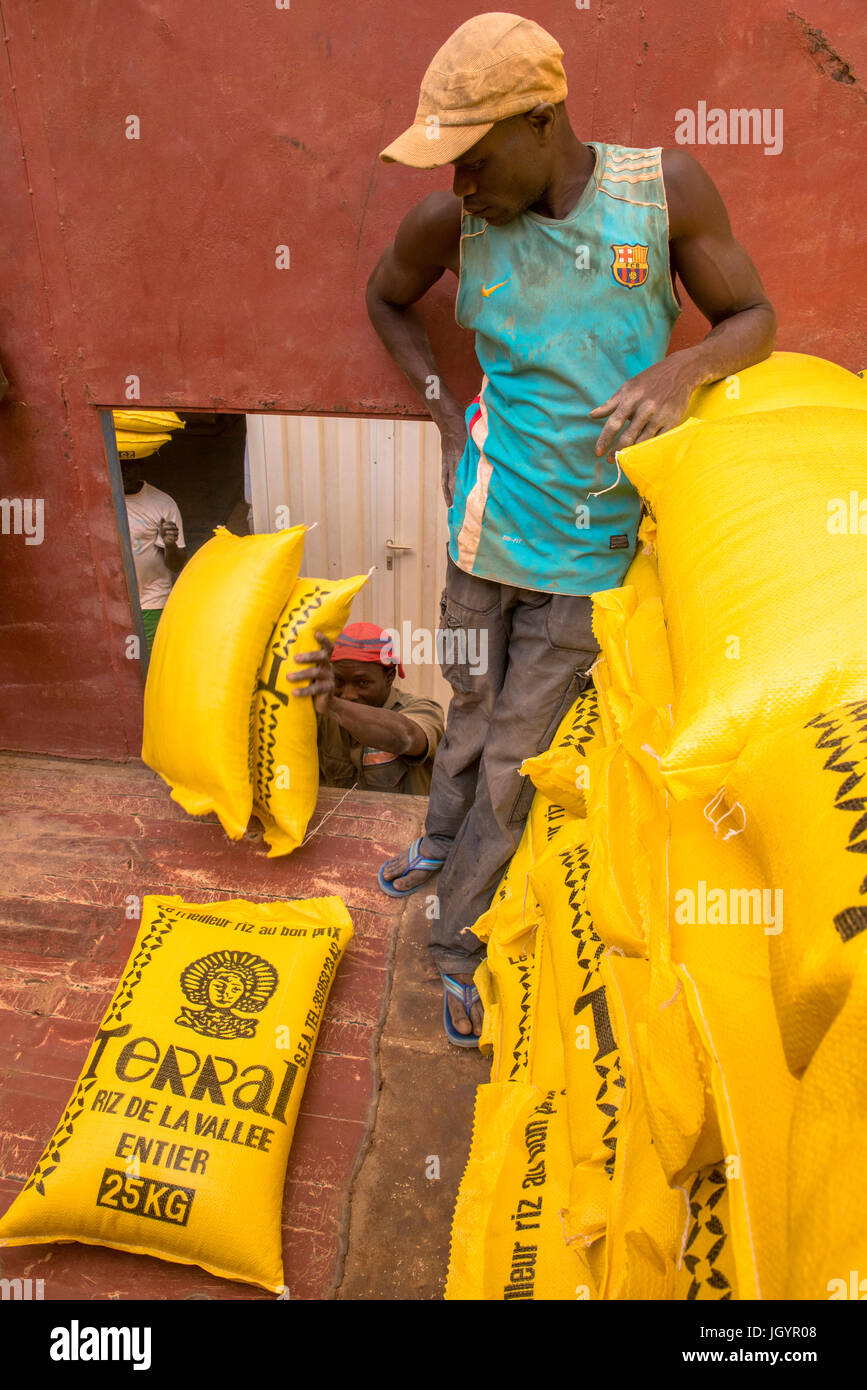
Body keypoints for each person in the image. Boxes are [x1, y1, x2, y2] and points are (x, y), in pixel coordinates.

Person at [365, 14, 777, 1045]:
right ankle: (436, 839)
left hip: (591, 555)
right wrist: (435, 407)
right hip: (482, 532)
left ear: (543, 120)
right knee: (467, 710)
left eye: (473, 158)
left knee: (517, 753)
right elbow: (386, 300)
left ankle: (456, 943)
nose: (460, 185)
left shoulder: (663, 193)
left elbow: (753, 318)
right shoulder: (446, 225)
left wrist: (683, 368)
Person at [290, 621, 444, 797]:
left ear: (389, 677)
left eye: (362, 683)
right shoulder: (319, 717)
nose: (348, 695)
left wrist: (335, 706)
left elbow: (406, 737)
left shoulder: (424, 709)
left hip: (405, 824)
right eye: (338, 681)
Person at [121, 457, 187, 653]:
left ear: (141, 464)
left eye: (129, 465)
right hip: (113, 604)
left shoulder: (162, 504)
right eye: (119, 464)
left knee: (149, 667)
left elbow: (176, 565)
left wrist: (170, 545)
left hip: (151, 603)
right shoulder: (99, 500)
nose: (124, 471)